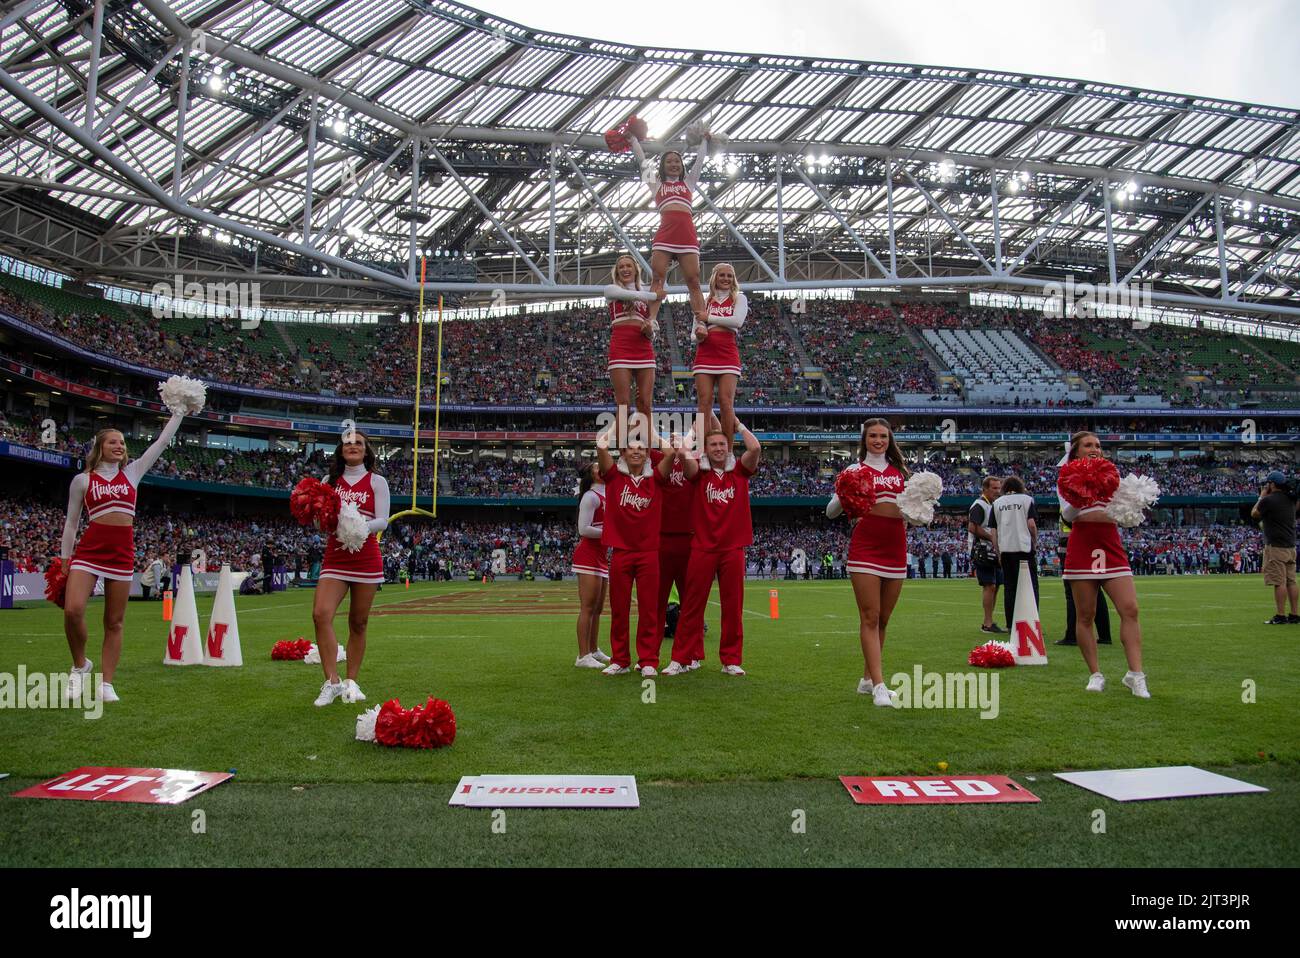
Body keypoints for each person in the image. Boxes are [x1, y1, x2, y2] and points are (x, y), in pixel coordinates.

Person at [60, 409, 188, 703]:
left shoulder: (132, 472)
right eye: (112, 442)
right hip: (89, 550)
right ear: (99, 448)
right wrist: (65, 559)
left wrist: (179, 413)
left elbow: (162, 441)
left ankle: (106, 684)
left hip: (121, 552)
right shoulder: (82, 480)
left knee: (114, 621)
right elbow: (71, 522)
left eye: (122, 443)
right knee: (73, 610)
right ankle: (80, 665)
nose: (119, 446)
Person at [666, 420, 762, 676]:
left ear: (728, 447)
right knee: (692, 607)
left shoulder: (739, 471)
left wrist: (739, 425)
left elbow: (755, 449)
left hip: (732, 548)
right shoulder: (700, 473)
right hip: (703, 547)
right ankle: (681, 659)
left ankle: (730, 660)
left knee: (733, 607)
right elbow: (684, 455)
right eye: (713, 445)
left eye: (722, 444)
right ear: (705, 449)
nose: (718, 448)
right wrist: (693, 431)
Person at [1058, 431, 1149, 698]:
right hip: (1082, 545)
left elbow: (1123, 514)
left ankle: (1136, 675)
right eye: (1088, 445)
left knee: (1130, 608)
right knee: (1085, 616)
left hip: (1110, 544)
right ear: (1076, 451)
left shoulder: (1112, 474)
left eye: (1098, 445)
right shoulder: (1066, 476)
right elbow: (1067, 515)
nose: (1095, 448)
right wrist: (1081, 495)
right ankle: (1095, 674)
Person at [827, 418, 909, 708]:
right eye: (873, 436)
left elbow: (909, 511)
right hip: (866, 547)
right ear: (864, 439)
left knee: (884, 619)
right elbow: (831, 512)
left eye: (883, 436)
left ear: (890, 439)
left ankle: (866, 680)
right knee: (870, 616)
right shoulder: (853, 469)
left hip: (896, 546)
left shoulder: (900, 471)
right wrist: (843, 494)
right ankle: (879, 685)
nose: (878, 440)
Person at [595, 417, 680, 677]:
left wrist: (651, 435)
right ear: (622, 452)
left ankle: (648, 661)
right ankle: (620, 659)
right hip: (621, 552)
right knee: (619, 609)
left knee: (649, 610)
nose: (636, 451)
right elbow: (601, 445)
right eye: (631, 447)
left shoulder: (656, 477)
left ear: (647, 454)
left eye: (641, 448)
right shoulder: (613, 476)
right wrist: (618, 424)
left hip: (648, 553)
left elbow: (671, 453)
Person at [311, 430, 390, 707]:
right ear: (341, 450)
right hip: (336, 556)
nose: (353, 446)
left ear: (366, 450)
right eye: (348, 443)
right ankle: (331, 682)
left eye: (358, 443)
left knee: (358, 622)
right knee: (321, 614)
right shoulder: (327, 482)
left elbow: (383, 521)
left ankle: (351, 681)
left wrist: (358, 527)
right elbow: (321, 523)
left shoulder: (377, 482)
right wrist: (319, 520)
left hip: (366, 556)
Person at [629, 135, 710, 328]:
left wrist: (705, 140)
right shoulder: (656, 185)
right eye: (669, 161)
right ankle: (652, 320)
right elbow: (643, 163)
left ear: (682, 166)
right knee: (657, 277)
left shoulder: (689, 183)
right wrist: (633, 140)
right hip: (665, 234)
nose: (673, 164)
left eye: (677, 161)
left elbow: (699, 161)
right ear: (663, 166)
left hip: (687, 235)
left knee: (694, 280)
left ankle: (701, 321)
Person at [604, 255, 667, 421]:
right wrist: (654, 296)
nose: (625, 269)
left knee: (645, 403)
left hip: (644, 349)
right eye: (621, 267)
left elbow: (651, 333)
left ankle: (646, 447)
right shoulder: (612, 289)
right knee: (623, 403)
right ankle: (622, 447)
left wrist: (649, 331)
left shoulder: (645, 292)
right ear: (617, 272)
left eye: (629, 266)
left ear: (635, 270)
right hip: (621, 348)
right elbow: (622, 294)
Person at [692, 263, 746, 449]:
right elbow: (693, 334)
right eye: (722, 275)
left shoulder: (740, 298)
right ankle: (702, 451)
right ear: (715, 278)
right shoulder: (704, 302)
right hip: (705, 356)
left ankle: (728, 451)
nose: (726, 279)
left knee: (726, 402)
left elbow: (737, 321)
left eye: (729, 276)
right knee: (704, 404)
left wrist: (709, 319)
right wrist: (699, 334)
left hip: (728, 355)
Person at [656, 437, 695, 654]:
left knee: (691, 604)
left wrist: (707, 407)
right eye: (668, 439)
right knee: (655, 604)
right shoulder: (656, 460)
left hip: (689, 539)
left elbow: (717, 436)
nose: (672, 441)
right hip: (661, 538)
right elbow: (638, 438)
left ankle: (691, 655)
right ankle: (649, 657)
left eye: (677, 438)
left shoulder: (695, 460)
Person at [571, 462, 612, 668]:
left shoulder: (608, 493)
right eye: (597, 467)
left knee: (598, 608)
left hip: (601, 556)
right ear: (591, 475)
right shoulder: (590, 496)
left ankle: (594, 650)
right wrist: (609, 532)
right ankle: (582, 655)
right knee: (587, 607)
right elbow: (583, 529)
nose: (602, 468)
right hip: (587, 555)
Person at [989, 475, 1038, 630]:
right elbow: (1031, 525)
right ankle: (1031, 623)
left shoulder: (997, 503)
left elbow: (993, 532)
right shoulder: (1027, 500)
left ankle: (1011, 624)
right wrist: (1034, 542)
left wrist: (998, 552)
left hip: (1006, 550)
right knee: (1030, 587)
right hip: (1024, 549)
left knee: (1009, 588)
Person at [1056, 512, 1113, 646]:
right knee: (1096, 590)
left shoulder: (1071, 501)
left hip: (1071, 545)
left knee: (1072, 592)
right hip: (1088, 544)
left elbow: (1069, 519)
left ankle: (1072, 635)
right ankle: (1105, 635)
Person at [1251, 470, 1299, 624]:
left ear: (1272, 484)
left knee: (1279, 582)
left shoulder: (1269, 500)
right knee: (1292, 581)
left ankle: (1280, 615)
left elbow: (1254, 514)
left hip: (1276, 546)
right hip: (1290, 546)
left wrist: (1261, 495)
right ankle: (1294, 614)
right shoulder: (1290, 499)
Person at [967, 475, 1003, 633]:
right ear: (985, 489)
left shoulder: (992, 504)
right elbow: (972, 527)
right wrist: (992, 537)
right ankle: (987, 623)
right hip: (983, 550)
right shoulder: (979, 505)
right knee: (990, 585)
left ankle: (989, 620)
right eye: (994, 488)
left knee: (995, 586)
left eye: (999, 488)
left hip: (993, 550)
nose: (997, 491)